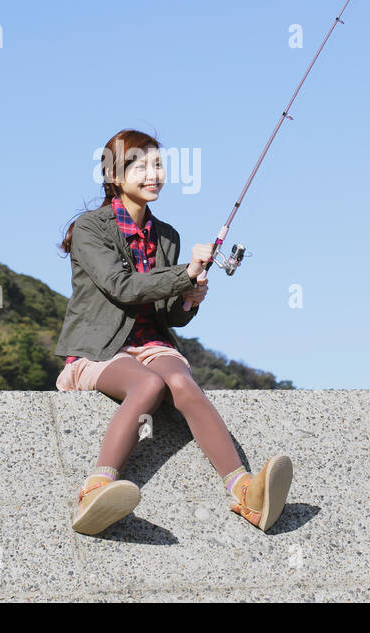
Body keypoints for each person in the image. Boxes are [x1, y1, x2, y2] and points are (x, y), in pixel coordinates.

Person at [54, 127, 292, 535]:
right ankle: (95, 488)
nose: (154, 174)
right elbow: (122, 287)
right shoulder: (91, 229)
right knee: (148, 386)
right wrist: (183, 273)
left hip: (152, 343)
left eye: (159, 165)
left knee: (181, 381)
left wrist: (189, 297)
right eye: (141, 165)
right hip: (99, 349)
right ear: (115, 175)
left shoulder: (167, 235)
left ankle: (246, 492)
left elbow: (166, 312)